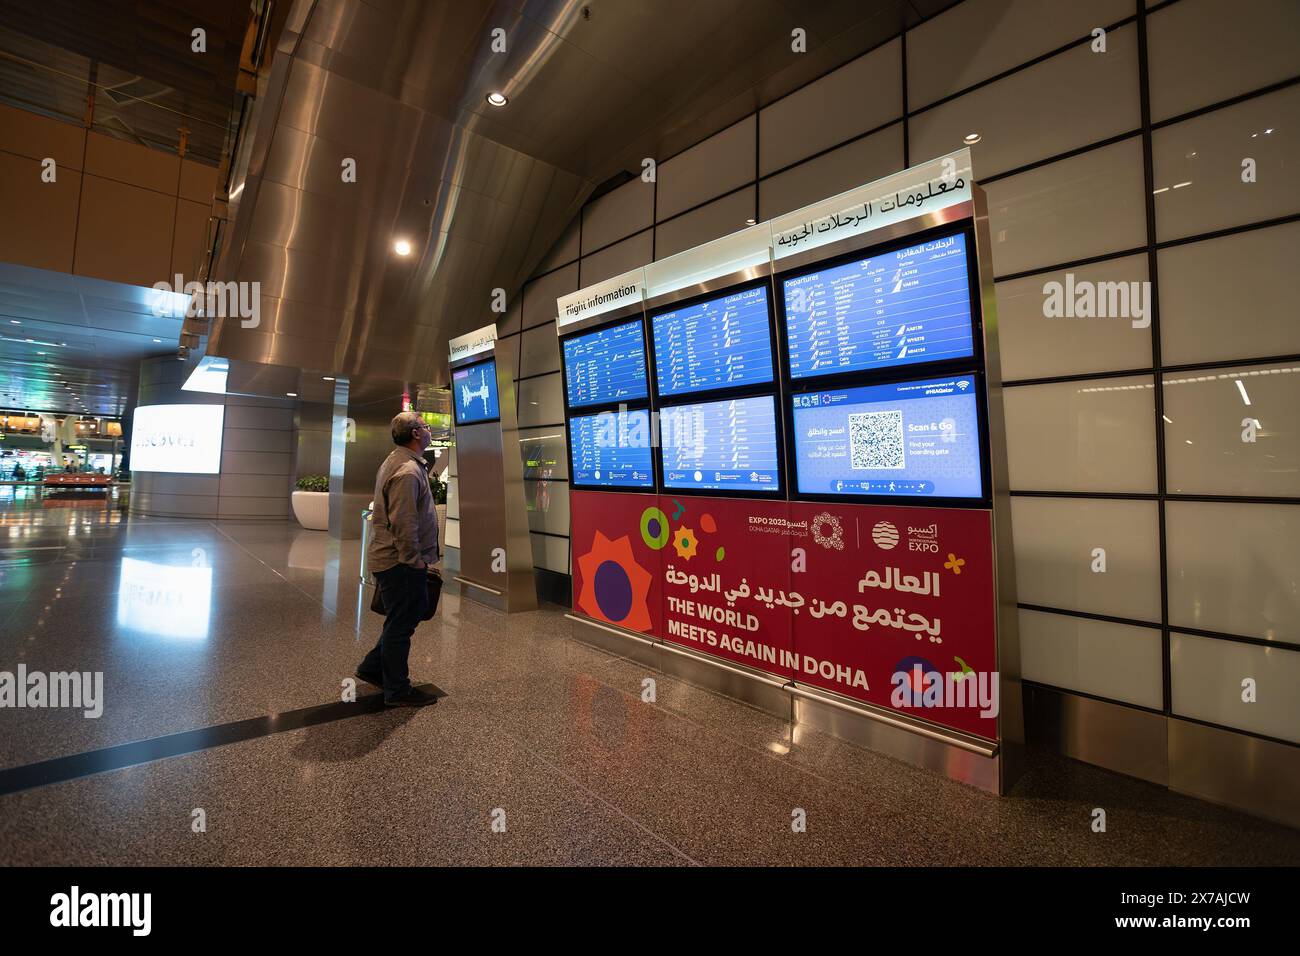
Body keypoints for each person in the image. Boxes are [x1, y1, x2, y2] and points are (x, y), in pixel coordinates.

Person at [357, 411, 440, 707]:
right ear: (416, 433)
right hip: (399, 563)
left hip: (392, 559)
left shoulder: (398, 461)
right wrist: (413, 560)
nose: (430, 431)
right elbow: (404, 522)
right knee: (402, 624)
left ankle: (372, 667)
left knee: (399, 619)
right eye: (427, 426)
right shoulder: (407, 470)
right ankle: (397, 689)